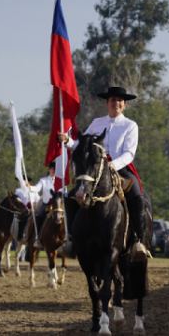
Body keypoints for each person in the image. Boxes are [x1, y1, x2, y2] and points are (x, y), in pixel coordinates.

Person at [58, 86, 149, 261]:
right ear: (107, 103)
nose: (117, 103)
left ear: (124, 106)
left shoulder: (130, 125)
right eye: (113, 100)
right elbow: (82, 146)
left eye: (120, 101)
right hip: (94, 170)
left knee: (137, 194)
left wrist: (110, 166)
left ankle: (139, 242)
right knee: (70, 197)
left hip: (120, 168)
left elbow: (129, 154)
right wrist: (68, 141)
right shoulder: (96, 123)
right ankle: (71, 241)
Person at [32, 162, 56, 248]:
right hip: (46, 204)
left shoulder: (61, 180)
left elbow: (64, 192)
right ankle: (37, 238)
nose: (54, 171)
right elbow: (37, 188)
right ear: (49, 169)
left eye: (56, 169)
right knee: (39, 216)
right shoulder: (43, 180)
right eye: (53, 169)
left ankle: (68, 239)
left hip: (57, 205)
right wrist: (29, 187)